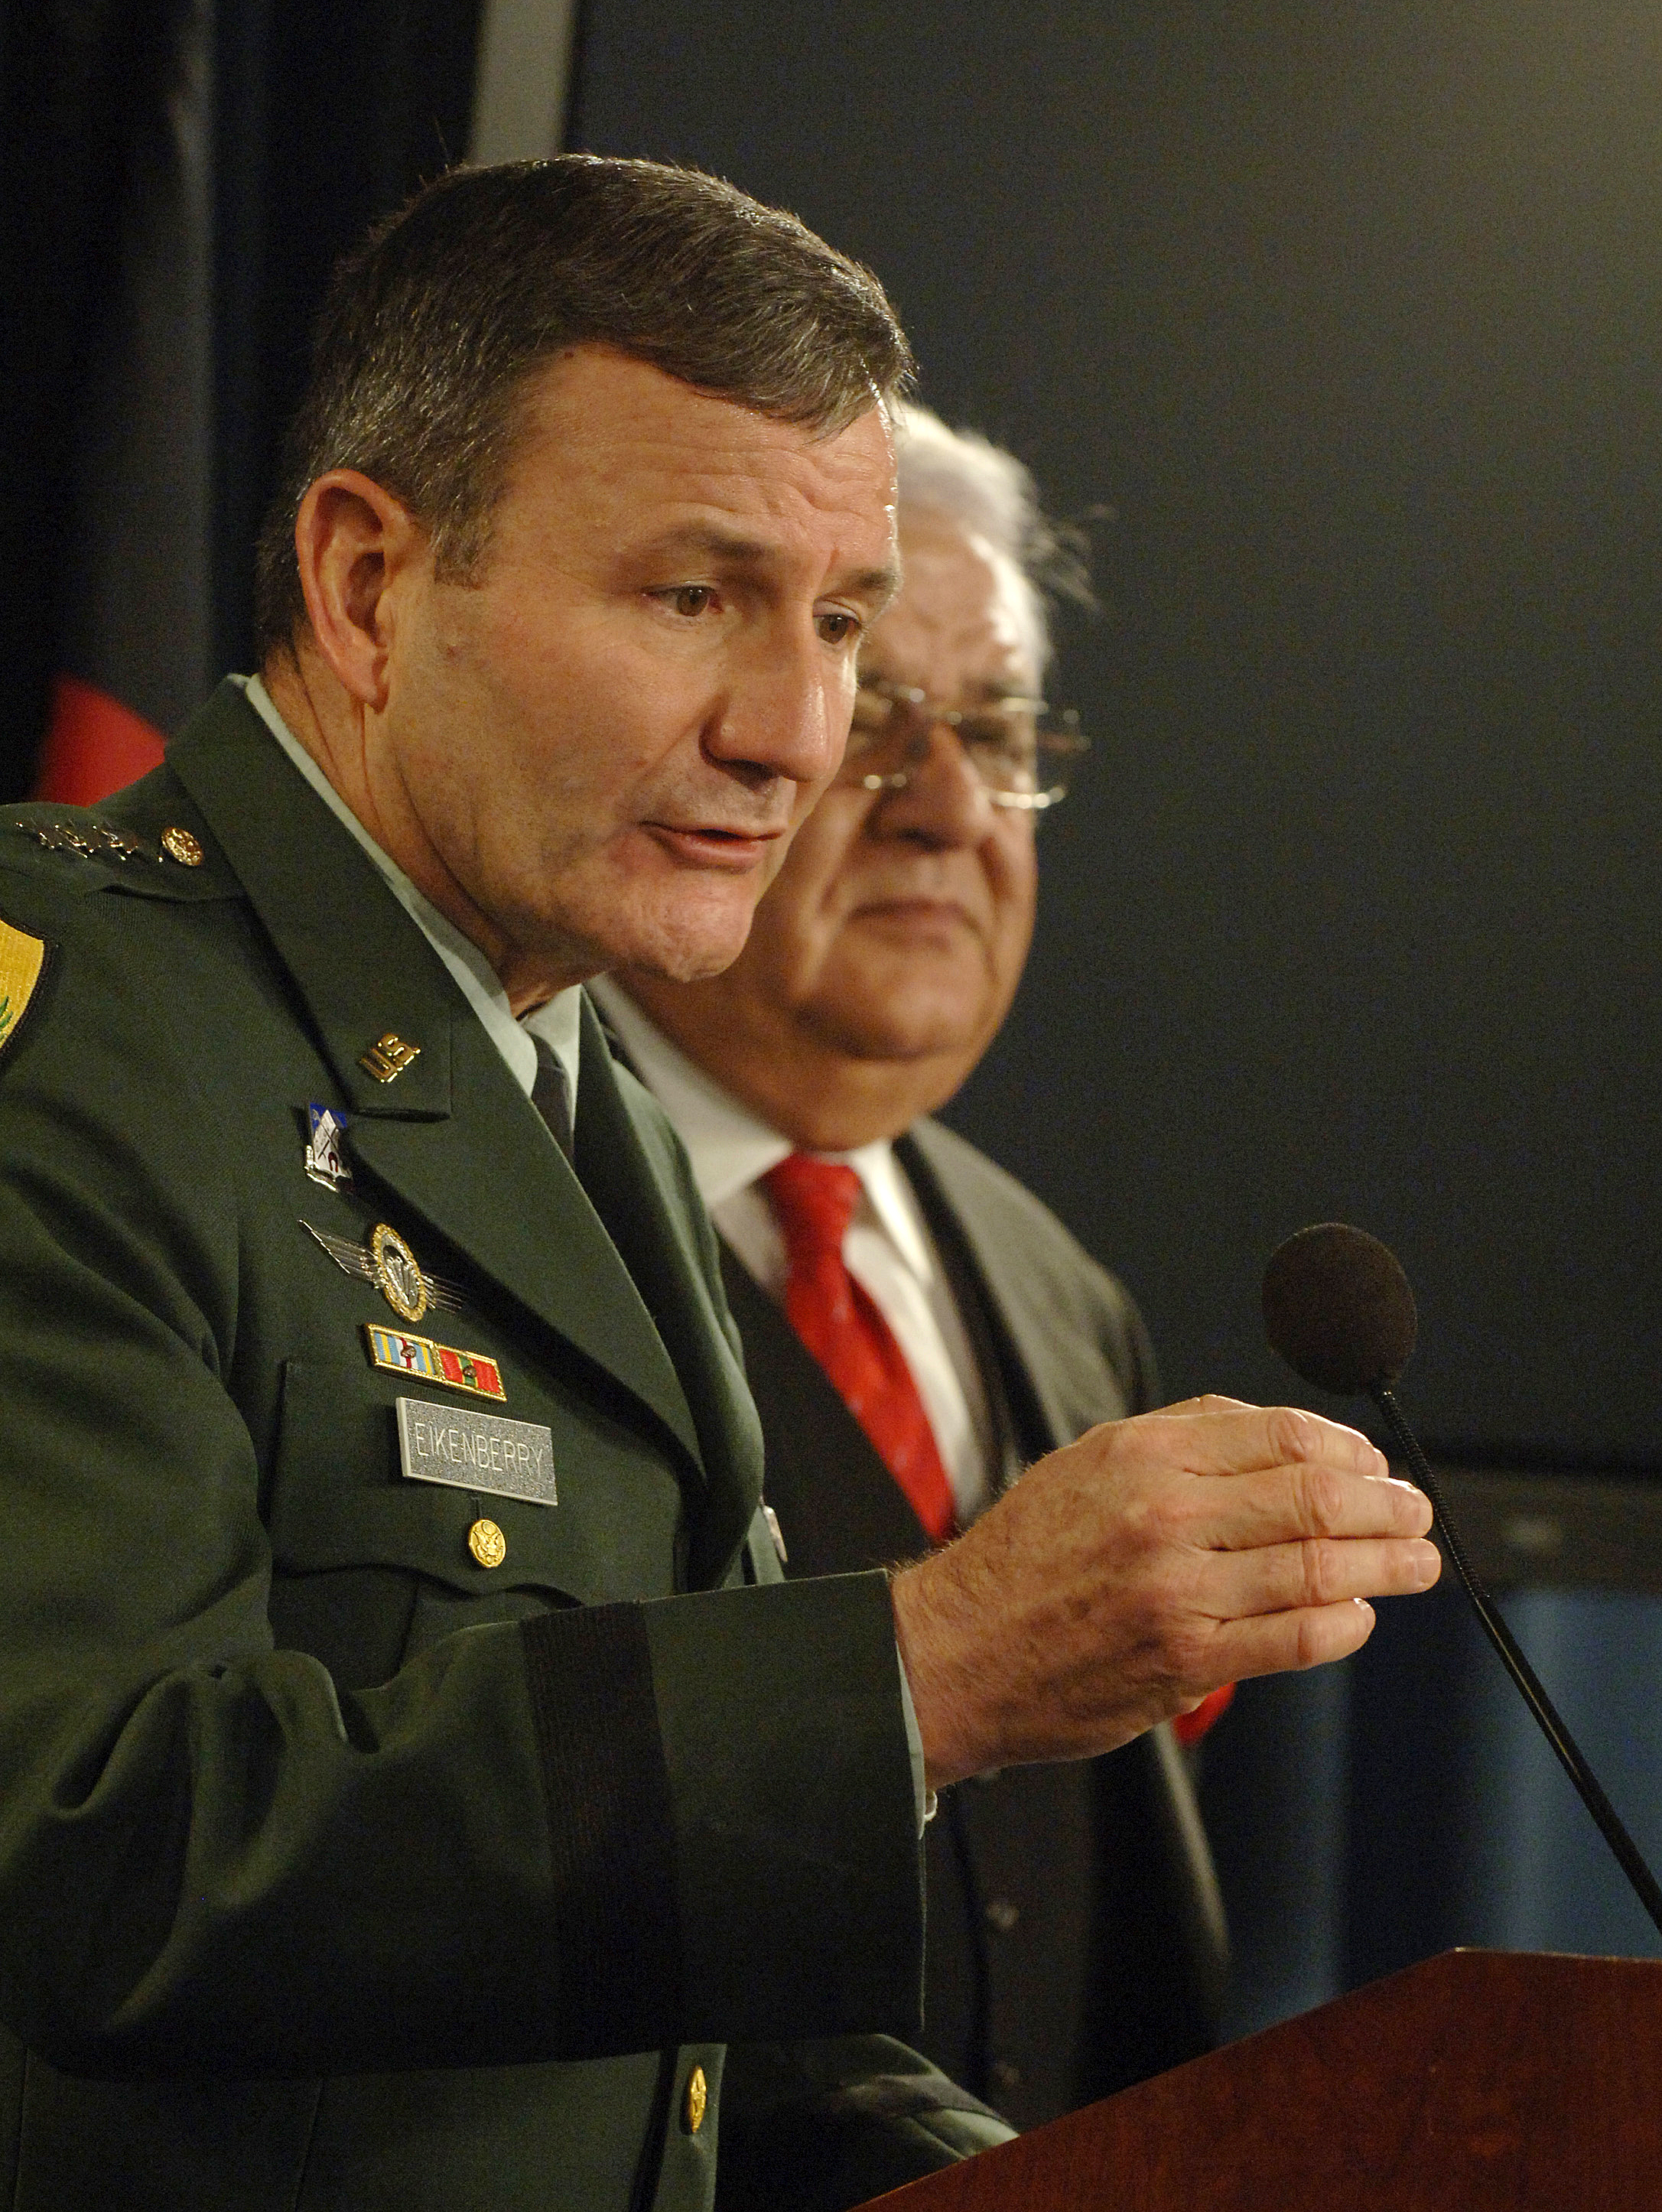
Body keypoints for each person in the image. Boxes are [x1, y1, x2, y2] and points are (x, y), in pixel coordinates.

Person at [0, 158, 1439, 2212]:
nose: (792, 731)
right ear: (363, 583)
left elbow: (674, 2023)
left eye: (834, 622)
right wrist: (917, 1671)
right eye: (694, 596)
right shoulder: (77, 1044)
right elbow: (91, 1855)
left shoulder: (555, 1063)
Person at [594, 403, 1231, 2137]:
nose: (950, 810)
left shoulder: (1055, 1286)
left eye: (1003, 732)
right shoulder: (497, 1189)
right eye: (878, 725)